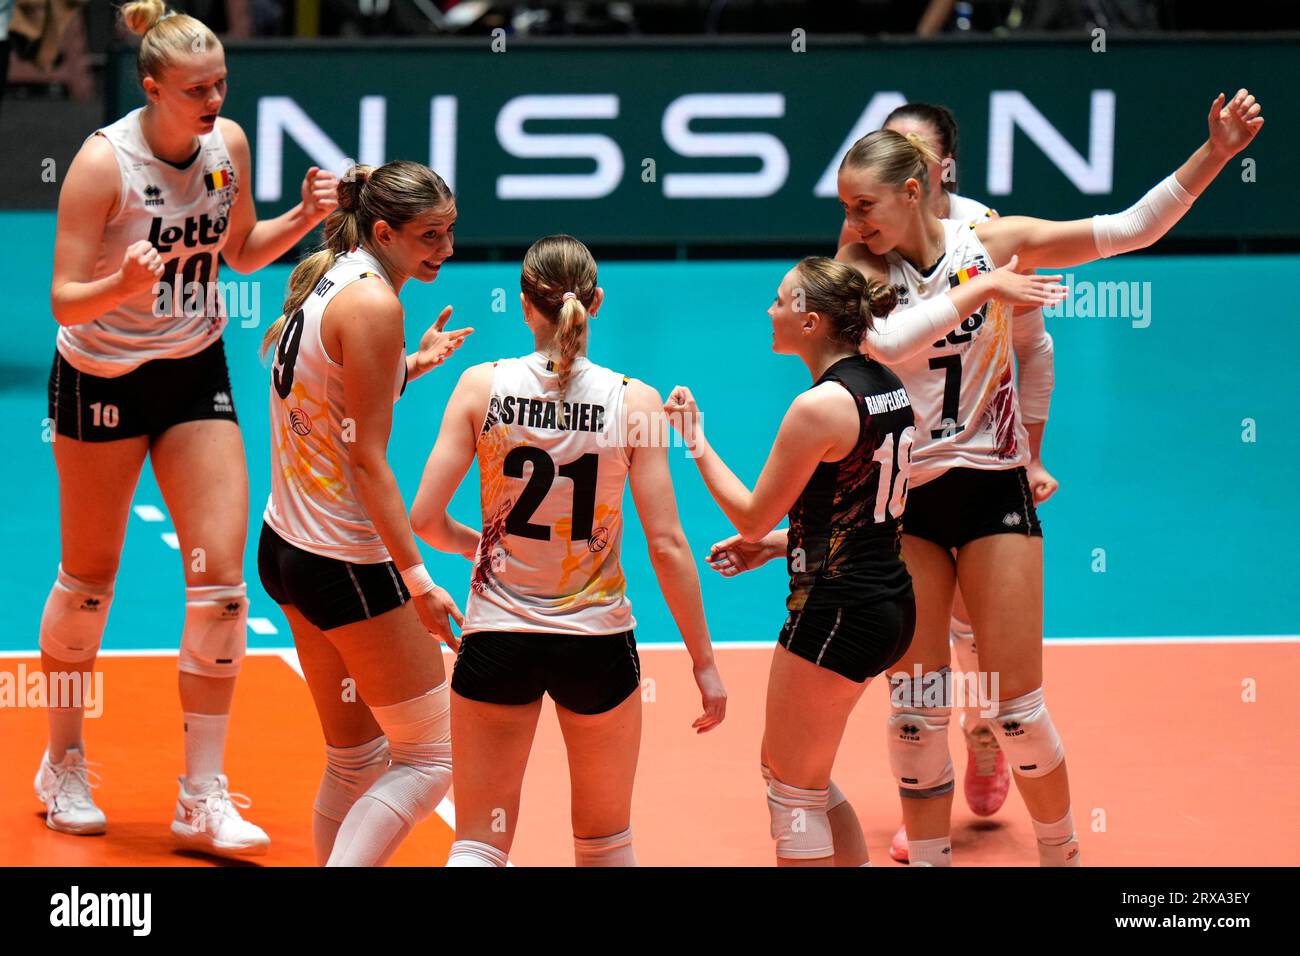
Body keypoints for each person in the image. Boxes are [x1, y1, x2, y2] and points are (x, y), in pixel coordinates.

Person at [836, 89, 1264, 865]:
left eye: (864, 205)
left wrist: (1215, 155)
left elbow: (1129, 229)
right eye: (847, 208)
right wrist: (982, 289)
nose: (853, 222)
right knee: (914, 710)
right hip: (902, 496)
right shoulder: (860, 267)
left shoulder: (994, 241)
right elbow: (885, 338)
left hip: (992, 487)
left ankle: (1061, 854)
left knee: (1017, 710)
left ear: (916, 186)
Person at [38, 0, 339, 855]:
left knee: (222, 587)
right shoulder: (103, 166)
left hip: (192, 369)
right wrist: (119, 291)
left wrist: (304, 221)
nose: (214, 100)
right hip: (99, 376)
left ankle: (200, 795)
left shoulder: (229, 147)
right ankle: (62, 763)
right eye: (197, 88)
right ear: (151, 88)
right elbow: (62, 298)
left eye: (221, 84)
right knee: (88, 582)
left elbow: (238, 253)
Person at [679, 254, 1064, 865]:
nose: (769, 310)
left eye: (782, 300)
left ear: (811, 323)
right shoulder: (890, 388)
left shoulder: (819, 408)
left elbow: (752, 514)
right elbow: (870, 506)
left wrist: (696, 443)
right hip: (889, 603)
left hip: (835, 611)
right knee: (795, 774)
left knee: (792, 793)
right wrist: (783, 547)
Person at [409, 234, 726, 867]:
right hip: (598, 645)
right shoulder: (634, 400)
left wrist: (486, 547)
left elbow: (423, 519)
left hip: (498, 637)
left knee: (479, 840)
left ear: (526, 305)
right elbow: (666, 544)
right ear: (596, 302)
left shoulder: (481, 386)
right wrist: (703, 662)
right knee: (605, 841)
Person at [840, 101, 1060, 861]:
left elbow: (1032, 350)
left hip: (990, 469)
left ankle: (986, 730)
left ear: (935, 174)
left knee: (989, 655)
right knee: (919, 682)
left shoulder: (986, 236)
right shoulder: (863, 245)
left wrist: (1030, 453)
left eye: (914, 154)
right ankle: (947, 762)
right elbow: (865, 359)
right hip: (909, 485)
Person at [258, 160, 471, 866]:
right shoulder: (377, 305)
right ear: (385, 230)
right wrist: (418, 581)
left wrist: (411, 364)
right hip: (344, 563)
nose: (445, 248)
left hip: (286, 548)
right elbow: (368, 460)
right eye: (430, 236)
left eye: (450, 230)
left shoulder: (334, 271)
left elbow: (338, 394)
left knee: (355, 761)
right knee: (435, 757)